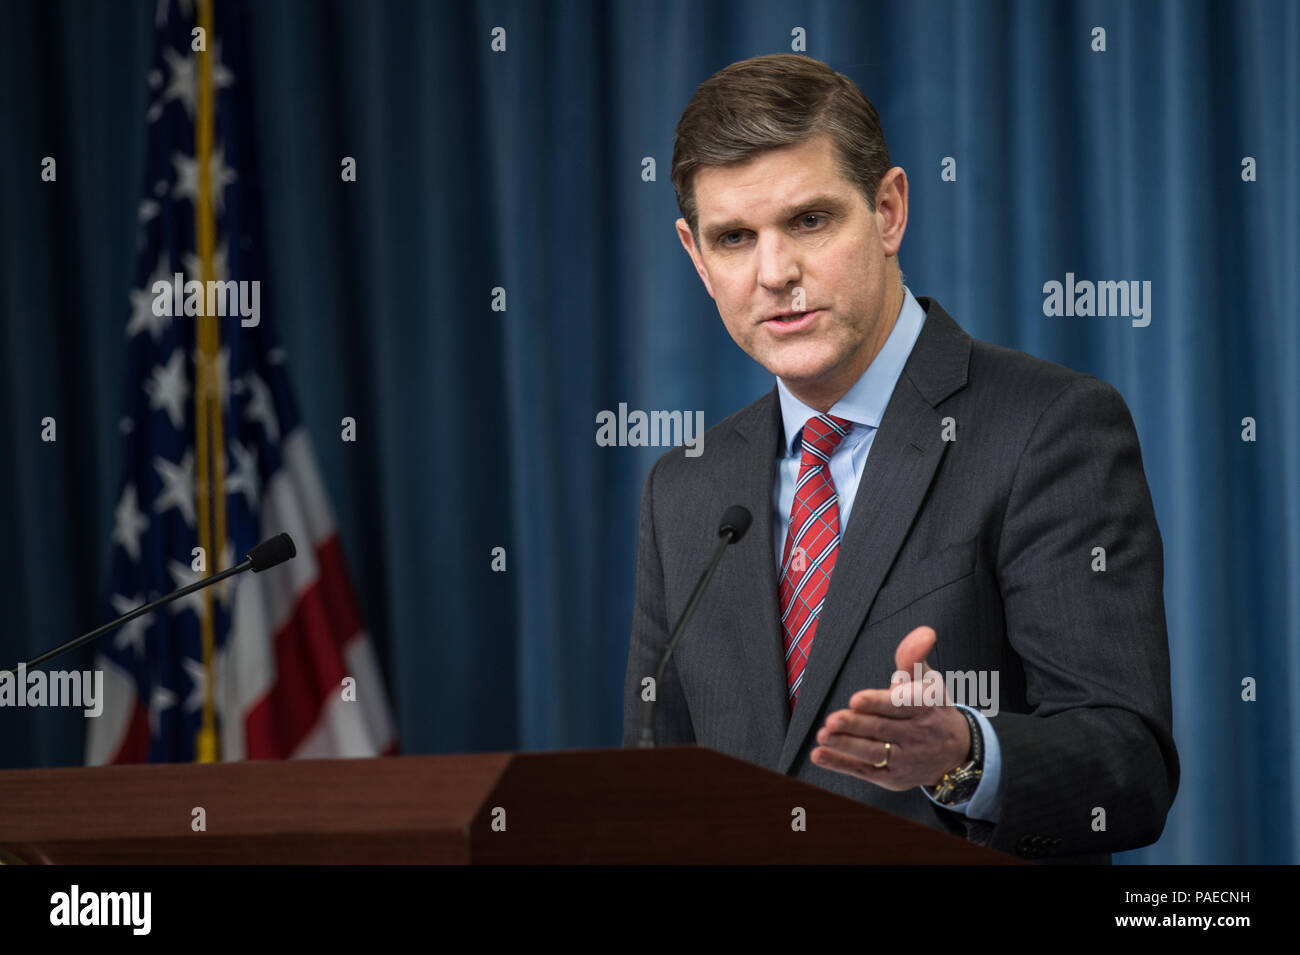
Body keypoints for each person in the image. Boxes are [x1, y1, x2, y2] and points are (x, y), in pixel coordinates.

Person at [621, 53, 1178, 863]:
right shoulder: (686, 488)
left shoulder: (1049, 427)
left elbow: (1130, 768)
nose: (776, 273)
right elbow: (653, 792)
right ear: (696, 257)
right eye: (735, 237)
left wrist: (964, 756)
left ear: (887, 210)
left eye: (810, 220)